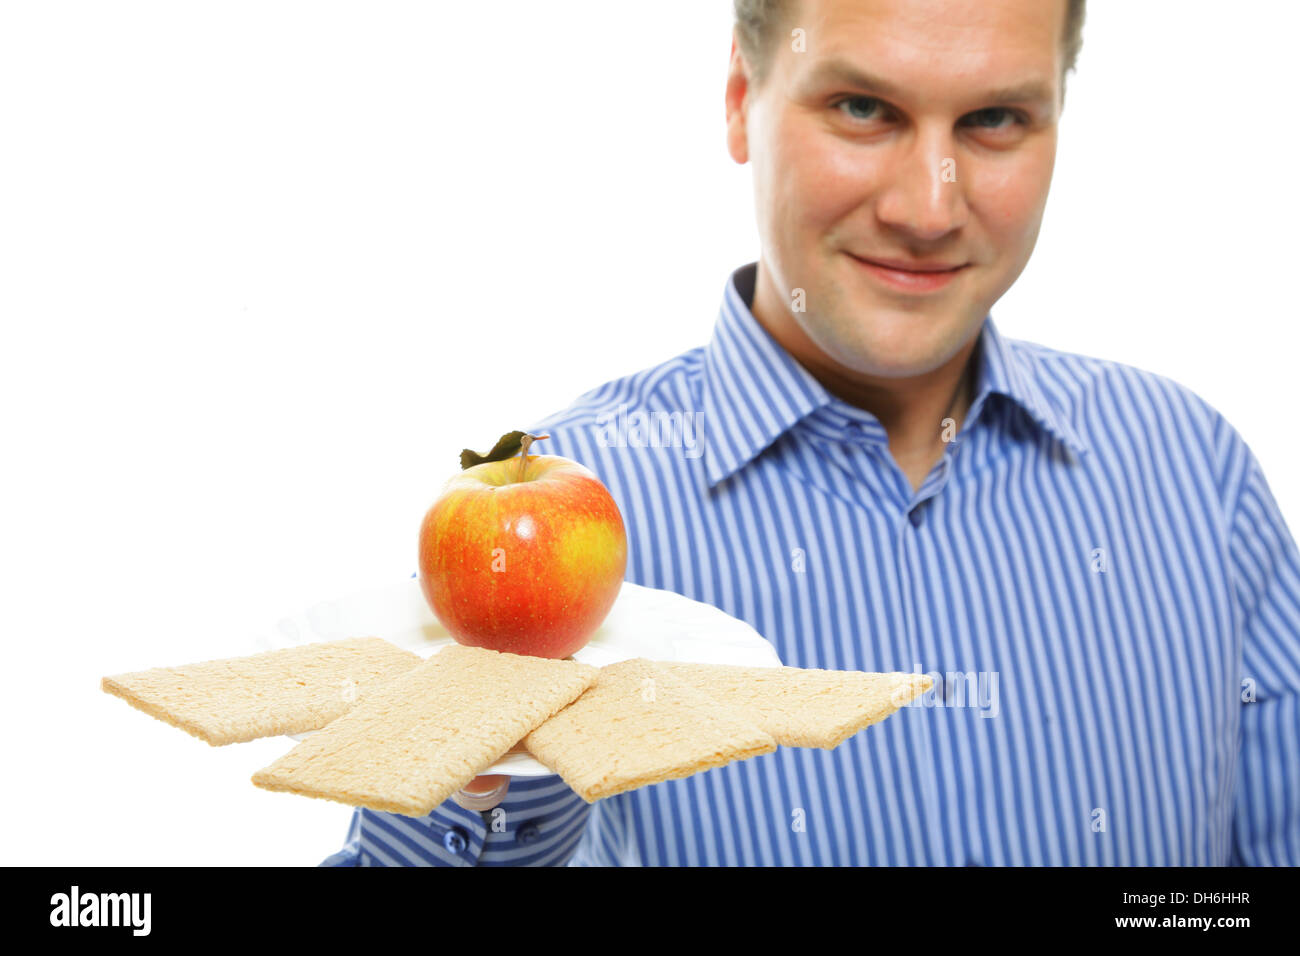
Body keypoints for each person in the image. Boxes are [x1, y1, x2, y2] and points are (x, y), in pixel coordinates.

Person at [322, 0, 1300, 866]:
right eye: (864, 109)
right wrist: (485, 782)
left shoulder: (1194, 471)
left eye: (994, 118)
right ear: (741, 98)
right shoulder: (548, 527)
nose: (927, 208)